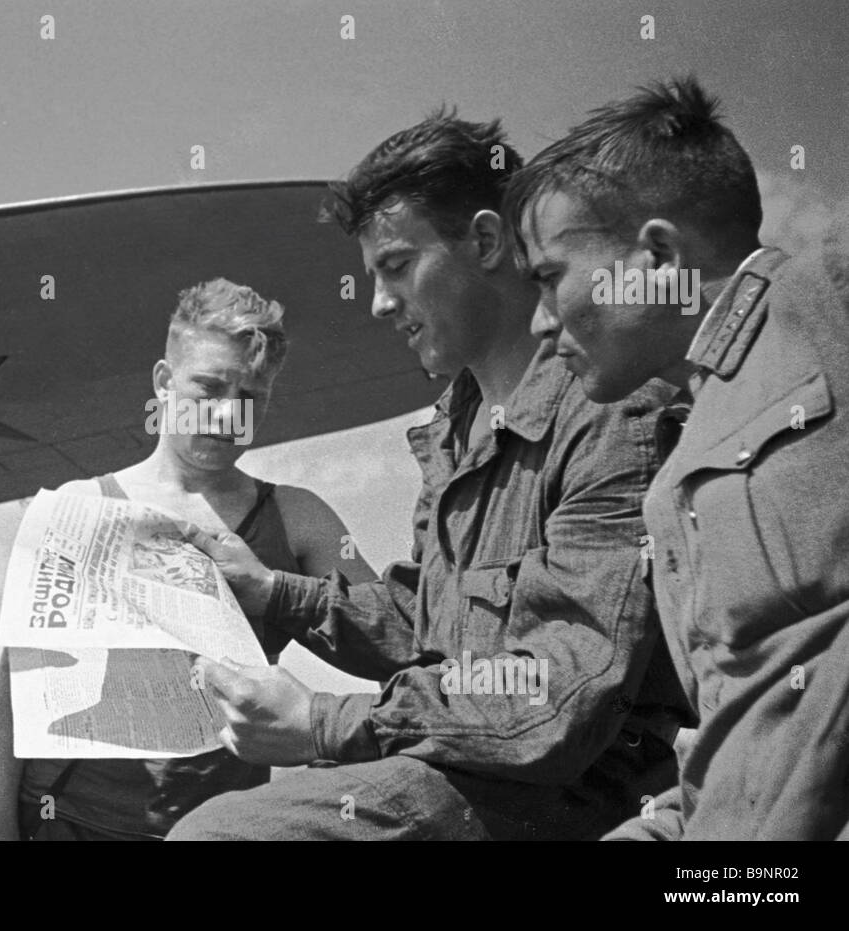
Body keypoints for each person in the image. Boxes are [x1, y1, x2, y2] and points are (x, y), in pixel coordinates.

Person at [170, 110, 686, 841]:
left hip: (573, 797)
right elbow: (423, 623)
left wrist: (322, 722)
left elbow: (556, 693)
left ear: (483, 241)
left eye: (396, 266)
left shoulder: (612, 413)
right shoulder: (453, 426)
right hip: (458, 772)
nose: (380, 304)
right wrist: (271, 590)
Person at [507, 76, 849, 840]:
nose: (538, 322)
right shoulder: (676, 463)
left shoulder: (824, 294)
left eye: (549, 278)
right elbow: (738, 732)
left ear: (659, 254)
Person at [0, 278, 377, 840]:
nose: (224, 416)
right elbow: (7, 681)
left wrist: (329, 741)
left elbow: (393, 635)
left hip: (220, 826)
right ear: (163, 382)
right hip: (66, 817)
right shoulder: (79, 505)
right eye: (207, 389)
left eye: (249, 399)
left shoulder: (298, 517)